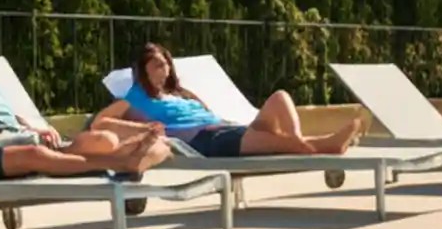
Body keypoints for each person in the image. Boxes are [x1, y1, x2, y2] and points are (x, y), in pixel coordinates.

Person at [0, 16, 170, 181]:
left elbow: (11, 118)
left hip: (18, 138)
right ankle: (122, 163)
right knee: (35, 155)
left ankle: (130, 155)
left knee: (102, 139)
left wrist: (37, 127)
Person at [92, 43, 361, 158]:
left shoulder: (180, 93)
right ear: (143, 71)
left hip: (226, 129)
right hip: (206, 141)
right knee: (281, 143)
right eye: (155, 66)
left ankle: (305, 143)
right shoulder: (135, 97)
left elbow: (209, 112)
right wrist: (142, 129)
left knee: (280, 97)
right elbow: (100, 123)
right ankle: (324, 145)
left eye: (164, 65)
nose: (162, 71)